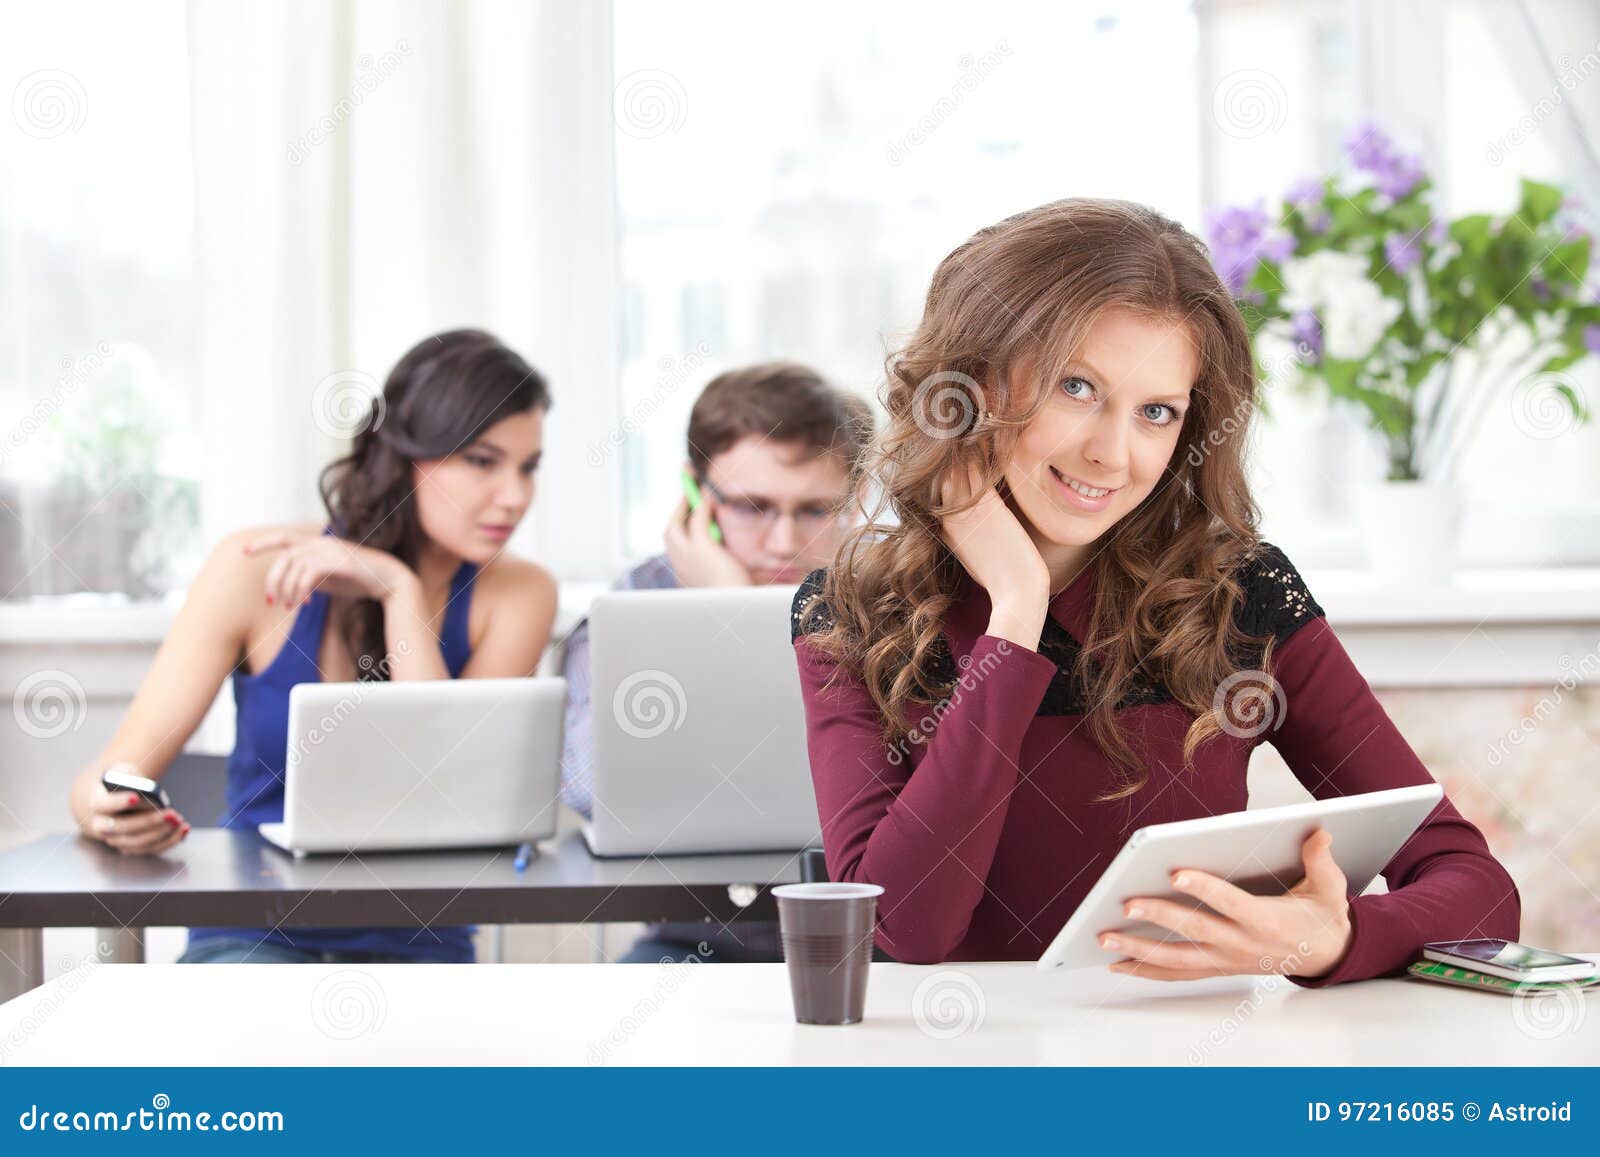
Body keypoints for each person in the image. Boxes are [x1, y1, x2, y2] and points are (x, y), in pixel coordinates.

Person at [790, 198, 1520, 984]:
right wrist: (1016, 610)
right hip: (958, 1071)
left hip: (1183, 1067)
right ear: (973, 380)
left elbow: (1478, 892)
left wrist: (1332, 939)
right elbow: (903, 927)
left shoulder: (1239, 594)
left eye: (1157, 412)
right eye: (1077, 387)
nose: (1113, 452)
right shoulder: (853, 612)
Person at [67, 328, 559, 964]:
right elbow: (110, 774)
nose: (515, 496)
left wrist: (398, 591)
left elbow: (443, 790)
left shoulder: (520, 594)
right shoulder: (250, 568)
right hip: (249, 938)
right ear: (409, 454)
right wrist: (108, 810)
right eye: (483, 461)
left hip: (423, 945)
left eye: (528, 467)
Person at [560, 362, 874, 963]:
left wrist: (741, 607)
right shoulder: (632, 606)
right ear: (695, 495)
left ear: (857, 499)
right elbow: (589, 788)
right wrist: (724, 612)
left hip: (869, 936)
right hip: (690, 938)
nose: (783, 542)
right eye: (753, 507)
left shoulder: (897, 603)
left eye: (815, 510)